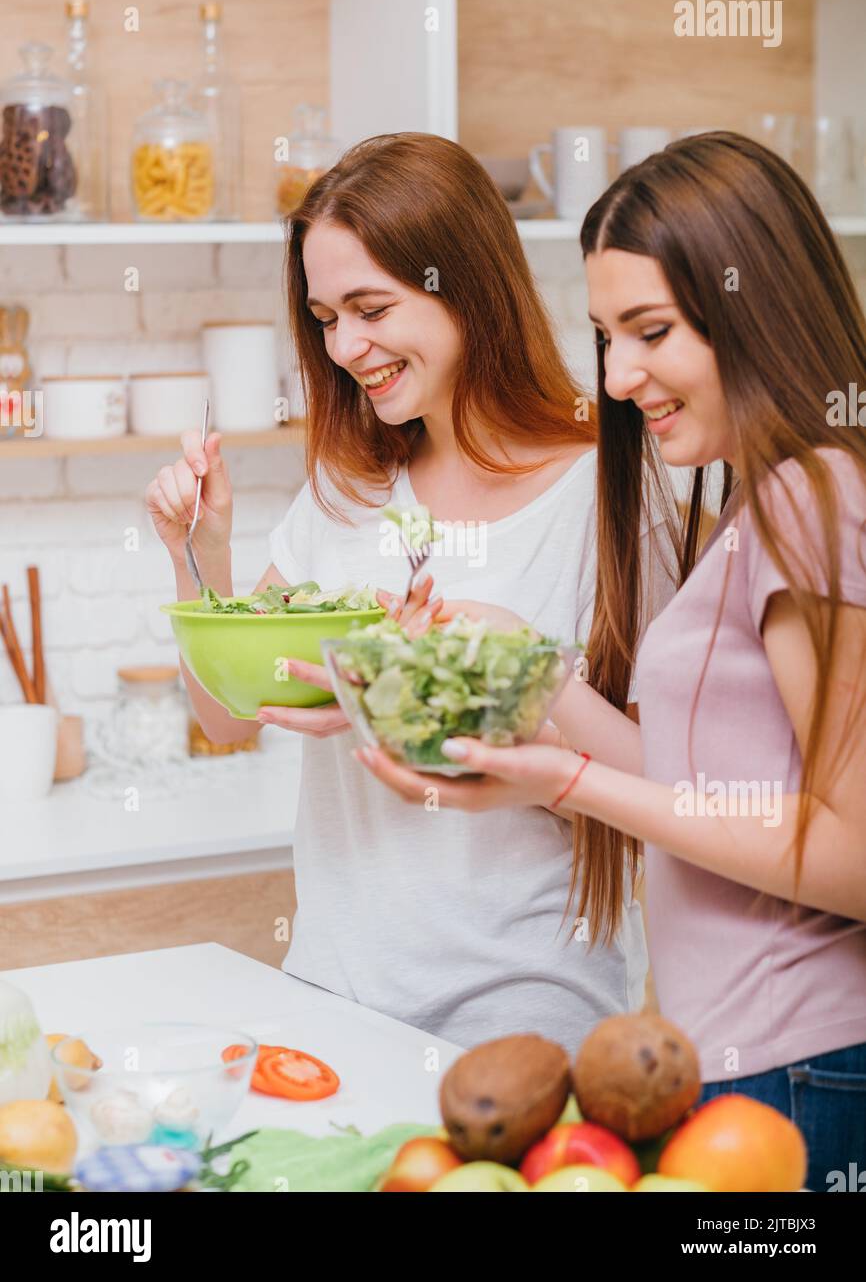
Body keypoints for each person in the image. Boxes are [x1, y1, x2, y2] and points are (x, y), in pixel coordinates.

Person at [356, 132, 866, 1189]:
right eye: (603, 336)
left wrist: (568, 783)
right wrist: (532, 668)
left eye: (651, 331)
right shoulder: (762, 499)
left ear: (756, 304)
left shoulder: (811, 502)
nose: (618, 376)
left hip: (802, 1065)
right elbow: (701, 785)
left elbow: (854, 853)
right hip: (748, 1060)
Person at [145, 133, 675, 1050]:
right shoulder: (347, 488)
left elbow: (664, 797)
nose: (345, 346)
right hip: (330, 993)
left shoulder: (608, 498)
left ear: (464, 285)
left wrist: (448, 692)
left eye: (371, 307)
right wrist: (204, 553)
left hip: (522, 1012)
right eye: (324, 317)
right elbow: (228, 718)